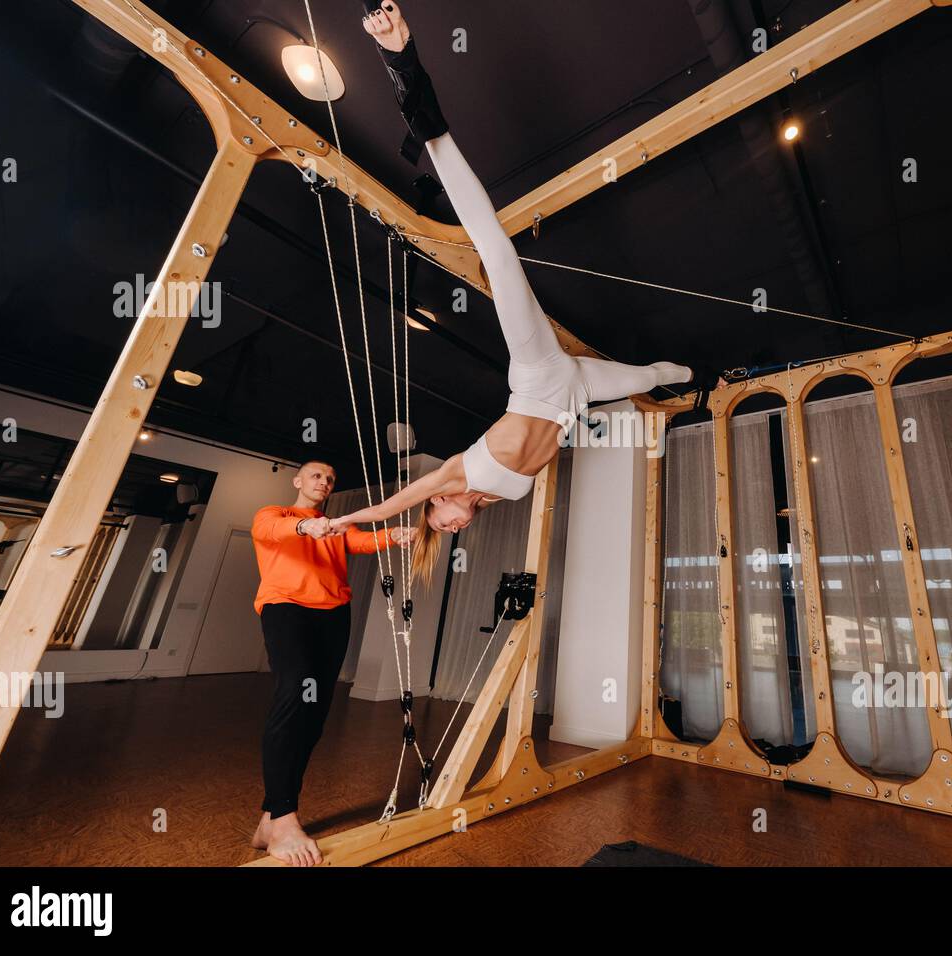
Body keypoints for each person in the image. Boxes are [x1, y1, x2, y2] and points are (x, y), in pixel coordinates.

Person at [324, 1, 712, 584]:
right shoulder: (498, 498)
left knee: (496, 249)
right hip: (575, 394)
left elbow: (385, 509)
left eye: (442, 523)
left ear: (438, 503)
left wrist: (338, 525)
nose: (452, 526)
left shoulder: (451, 477)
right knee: (653, 374)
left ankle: (402, 62)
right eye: (451, 532)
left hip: (535, 376)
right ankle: (705, 376)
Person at [249, 460, 409, 866]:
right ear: (298, 481)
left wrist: (397, 534)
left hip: (334, 614)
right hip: (287, 608)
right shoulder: (276, 515)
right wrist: (306, 526)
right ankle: (284, 819)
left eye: (331, 479)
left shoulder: (336, 526)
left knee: (315, 713)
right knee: (293, 693)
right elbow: (271, 532)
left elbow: (360, 542)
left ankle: (272, 816)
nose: (325, 482)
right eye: (317, 476)